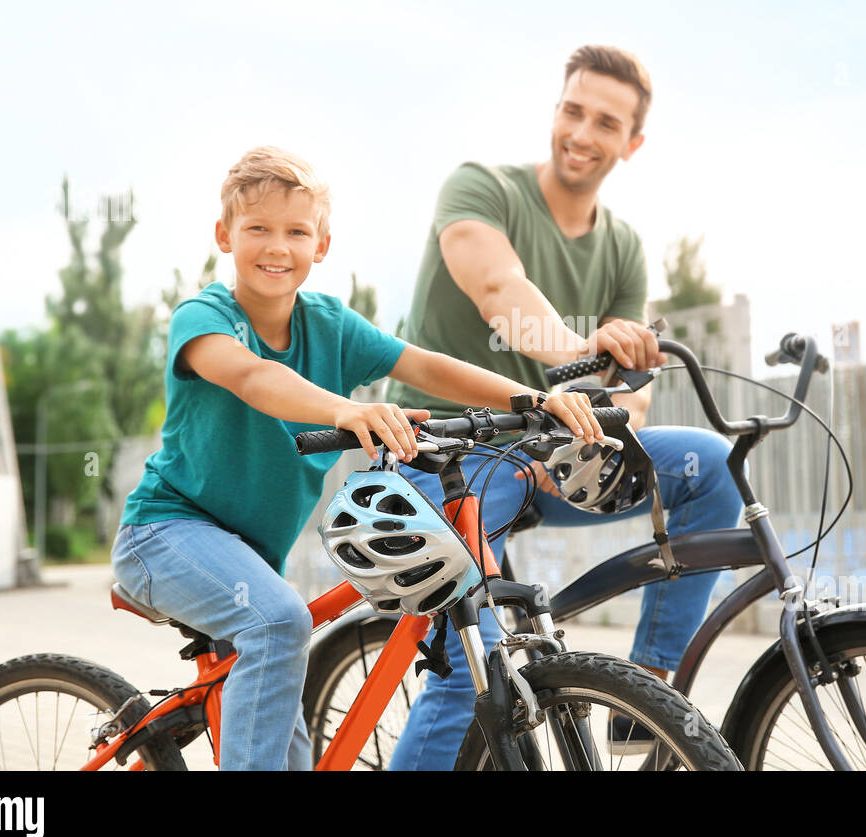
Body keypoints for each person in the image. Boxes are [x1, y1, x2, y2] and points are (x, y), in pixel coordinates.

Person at [113, 145, 601, 770]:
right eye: (257, 228)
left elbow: (421, 364)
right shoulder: (206, 317)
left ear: (321, 245)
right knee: (279, 622)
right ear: (224, 236)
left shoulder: (330, 325)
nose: (276, 246)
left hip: (249, 559)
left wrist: (533, 397)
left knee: (281, 693)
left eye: (296, 231)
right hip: (163, 535)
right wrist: (346, 410)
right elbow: (255, 379)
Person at [385, 45, 741, 769]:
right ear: (556, 111)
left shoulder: (623, 249)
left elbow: (629, 395)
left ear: (631, 143)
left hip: (541, 459)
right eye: (572, 110)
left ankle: (645, 692)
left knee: (709, 467)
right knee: (471, 676)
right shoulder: (481, 189)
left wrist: (591, 443)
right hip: (439, 455)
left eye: (605, 121)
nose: (582, 132)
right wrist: (575, 359)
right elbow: (497, 290)